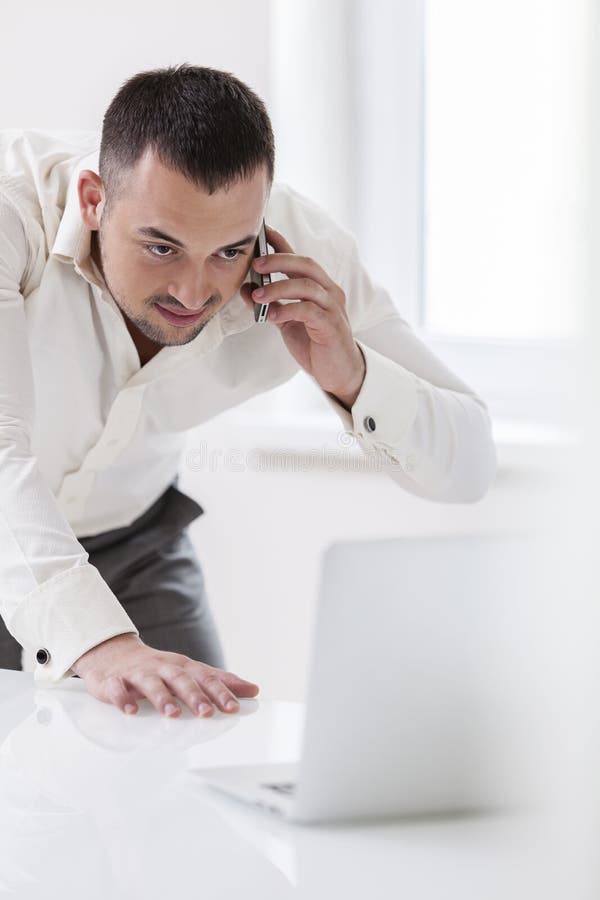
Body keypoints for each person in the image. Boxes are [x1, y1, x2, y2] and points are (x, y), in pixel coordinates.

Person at [0, 64, 496, 719]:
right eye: (161, 248)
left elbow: (469, 465)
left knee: (195, 751)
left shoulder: (305, 253)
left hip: (136, 543)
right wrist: (99, 641)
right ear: (94, 199)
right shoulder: (13, 211)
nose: (193, 292)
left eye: (228, 252)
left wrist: (352, 375)